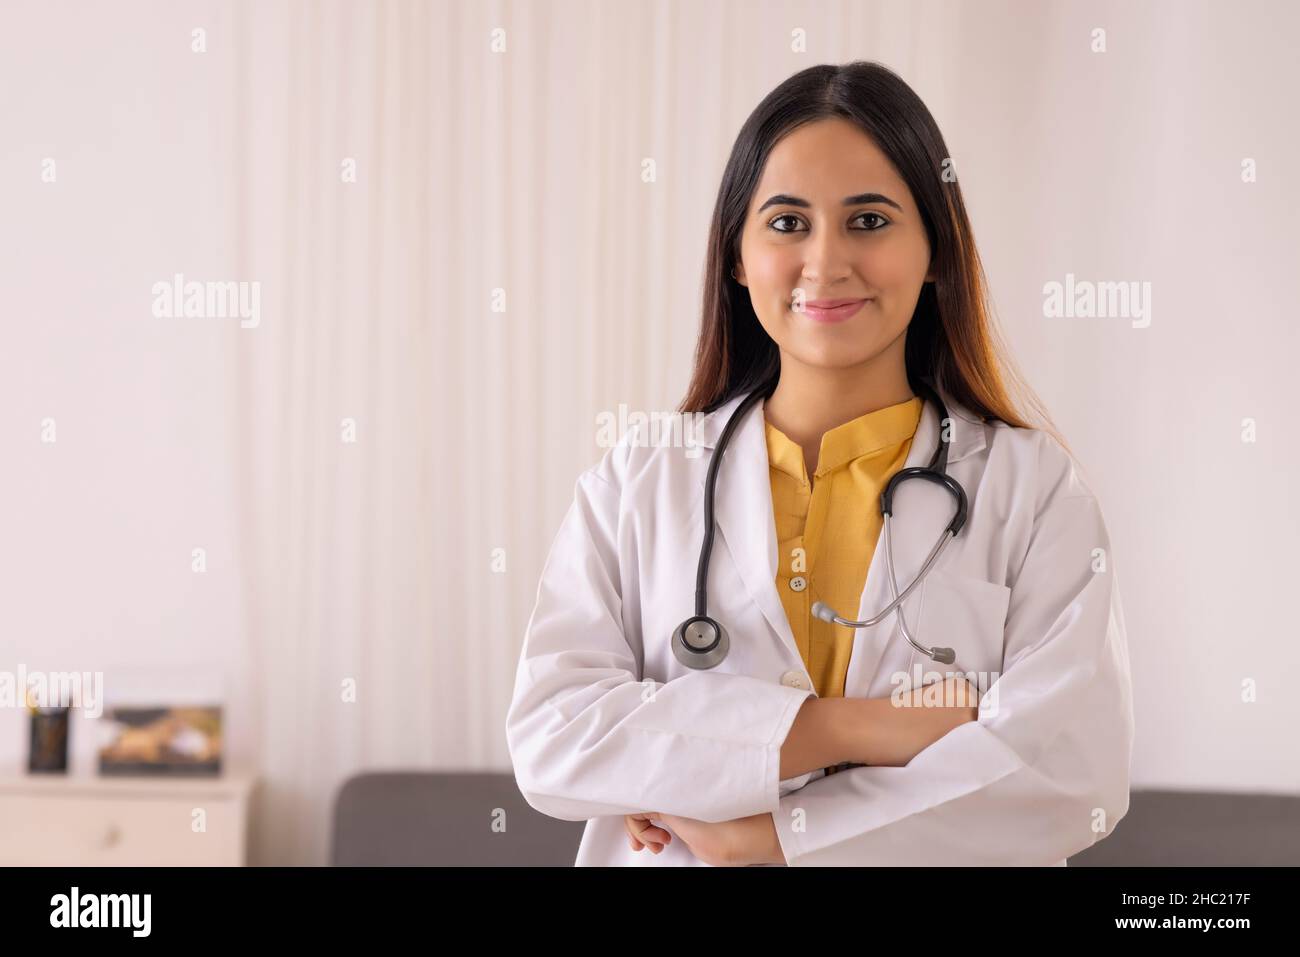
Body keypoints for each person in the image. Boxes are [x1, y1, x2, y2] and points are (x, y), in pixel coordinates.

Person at [505, 60, 1133, 866]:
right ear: (736, 255)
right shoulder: (642, 479)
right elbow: (554, 735)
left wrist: (769, 835)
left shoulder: (1032, 489)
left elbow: (1071, 769)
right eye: (787, 222)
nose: (826, 262)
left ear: (936, 249)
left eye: (869, 221)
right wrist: (853, 726)